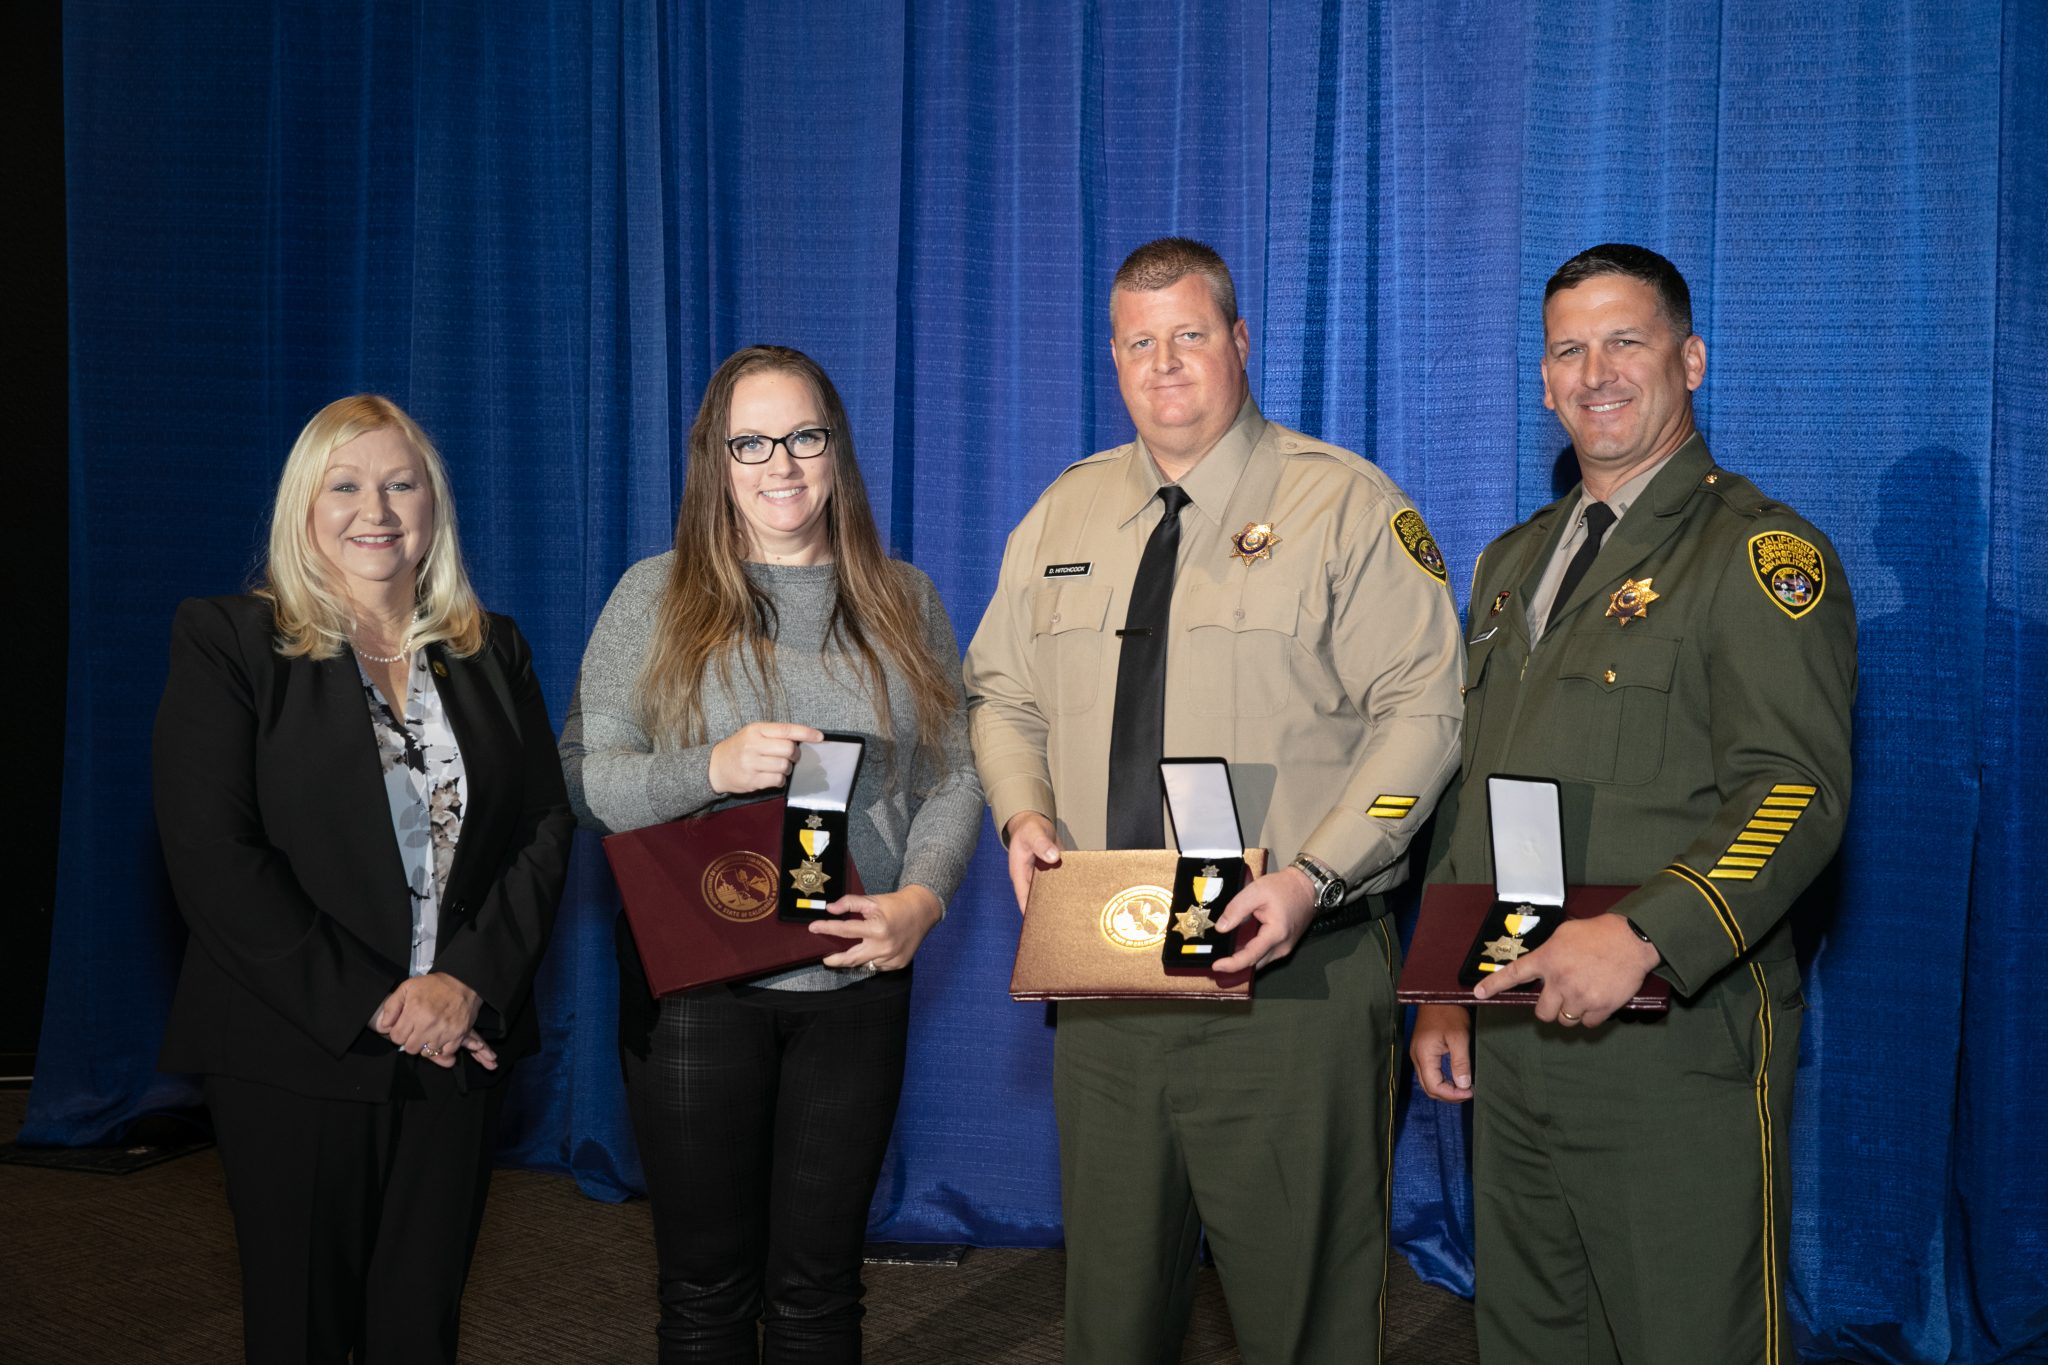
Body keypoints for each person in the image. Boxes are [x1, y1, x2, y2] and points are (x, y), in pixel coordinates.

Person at [964, 237, 1464, 1364]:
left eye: (1189, 335)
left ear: (1239, 341)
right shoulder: (1064, 512)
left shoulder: (1343, 504)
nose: (1165, 364)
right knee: (1110, 1320)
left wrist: (1313, 876)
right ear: (1112, 359)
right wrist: (1021, 812)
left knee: (1303, 1320)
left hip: (1290, 978)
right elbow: (999, 692)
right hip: (1105, 970)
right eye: (1139, 343)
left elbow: (1426, 714)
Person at [1410, 243, 1857, 1364]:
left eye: (1624, 342)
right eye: (1568, 350)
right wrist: (1443, 990)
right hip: (1514, 1023)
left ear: (1689, 360)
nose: (1594, 372)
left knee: (1688, 1335)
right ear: (1543, 382)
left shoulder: (1754, 554)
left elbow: (1794, 793)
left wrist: (1647, 934)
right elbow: (1475, 791)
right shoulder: (1510, 564)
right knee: (1529, 1333)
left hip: (1674, 1039)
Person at [560, 345, 982, 1363]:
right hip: (696, 989)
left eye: (803, 437)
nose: (780, 465)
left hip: (855, 980)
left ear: (836, 450)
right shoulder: (653, 595)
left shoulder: (904, 598)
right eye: (750, 442)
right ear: (716, 458)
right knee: (705, 1293)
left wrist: (922, 900)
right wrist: (709, 767)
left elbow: (958, 774)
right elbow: (582, 779)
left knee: (820, 1295)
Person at [152, 394, 575, 1364]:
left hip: (456, 1042)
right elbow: (214, 854)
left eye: (400, 484)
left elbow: (544, 825)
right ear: (305, 506)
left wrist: (465, 983)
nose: (374, 510)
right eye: (344, 485)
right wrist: (380, 1002)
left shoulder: (492, 647)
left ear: (433, 505)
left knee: (419, 1326)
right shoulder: (228, 640)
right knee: (301, 1329)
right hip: (296, 1046)